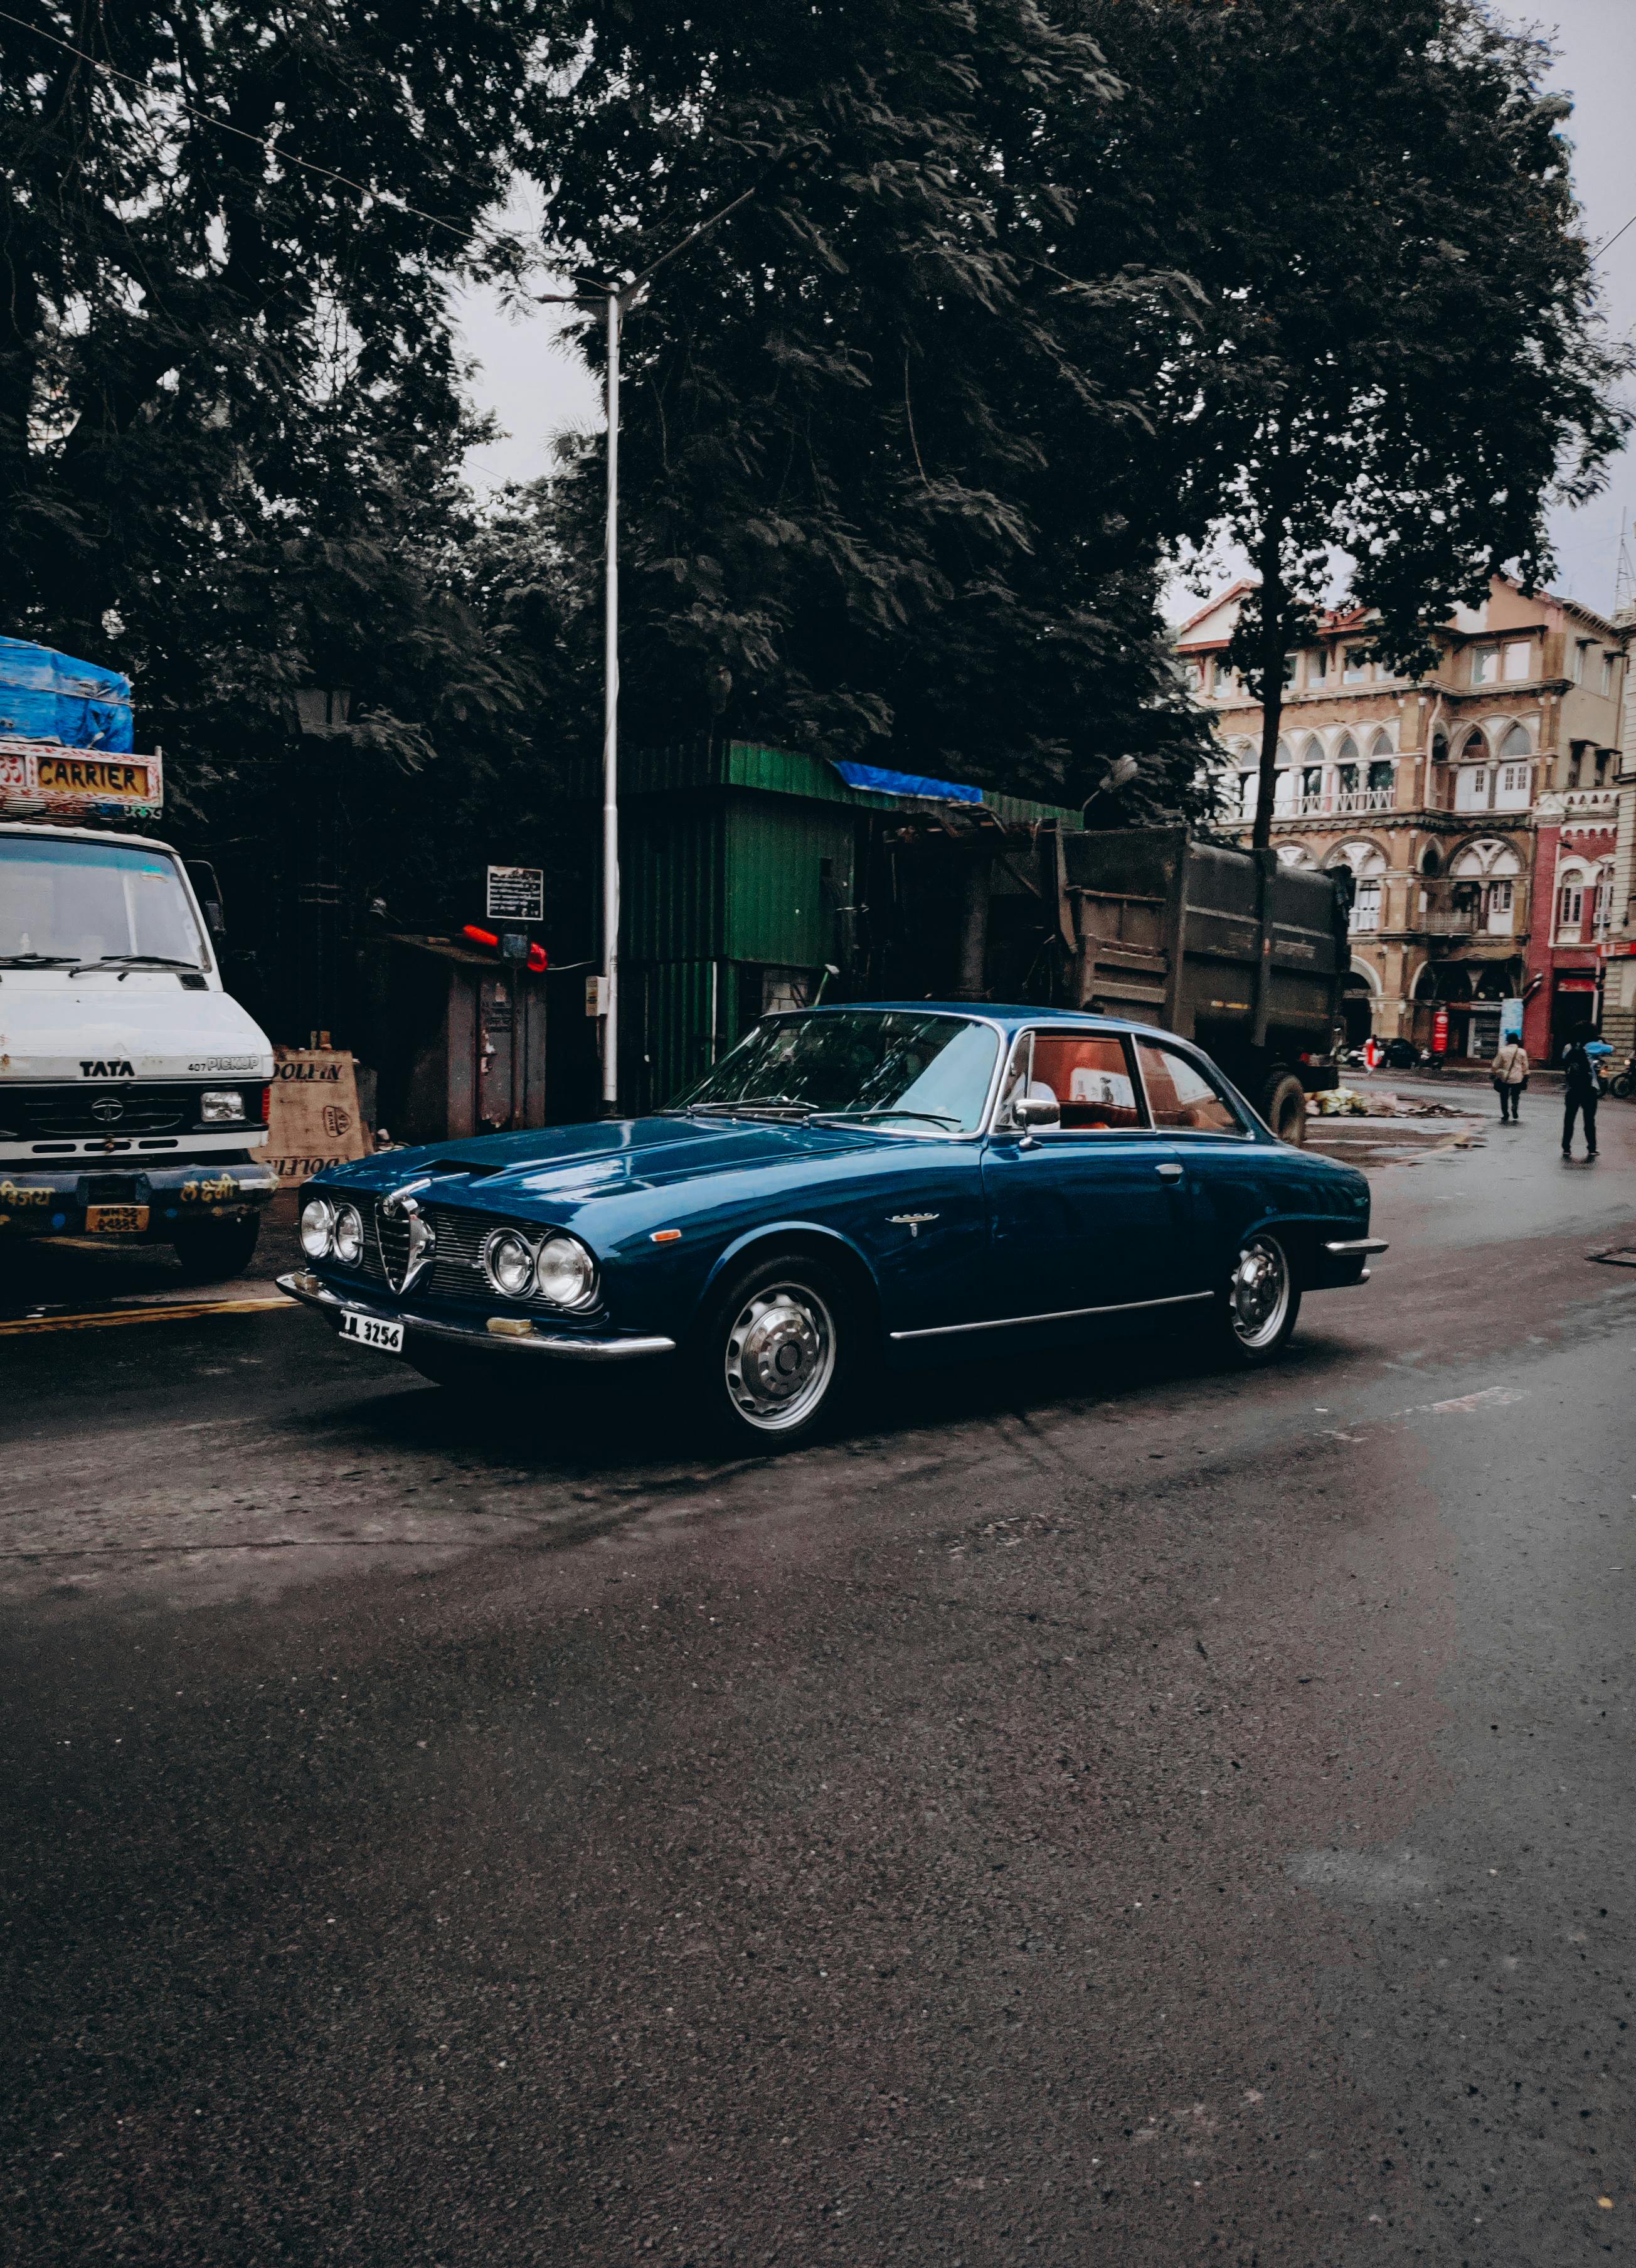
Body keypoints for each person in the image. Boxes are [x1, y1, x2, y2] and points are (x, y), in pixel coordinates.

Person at [1561, 1034, 1601, 1159]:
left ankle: (1566, 1148)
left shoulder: (1569, 1047)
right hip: (1589, 1089)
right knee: (1589, 1120)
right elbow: (1611, 1049)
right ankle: (1592, 1148)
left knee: (1569, 1119)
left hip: (1573, 1089)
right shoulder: (1592, 1046)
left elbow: (1564, 1059)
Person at [1490, 1035, 1528, 1122]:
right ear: (1517, 1041)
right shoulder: (1522, 1052)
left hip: (1505, 1077)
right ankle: (1514, 1107)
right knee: (1516, 1095)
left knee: (1504, 1097)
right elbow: (1525, 1066)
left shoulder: (1502, 1051)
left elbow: (1496, 1065)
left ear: (1508, 1041)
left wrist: (1493, 1073)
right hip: (1518, 1078)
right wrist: (1526, 1075)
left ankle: (1505, 1114)